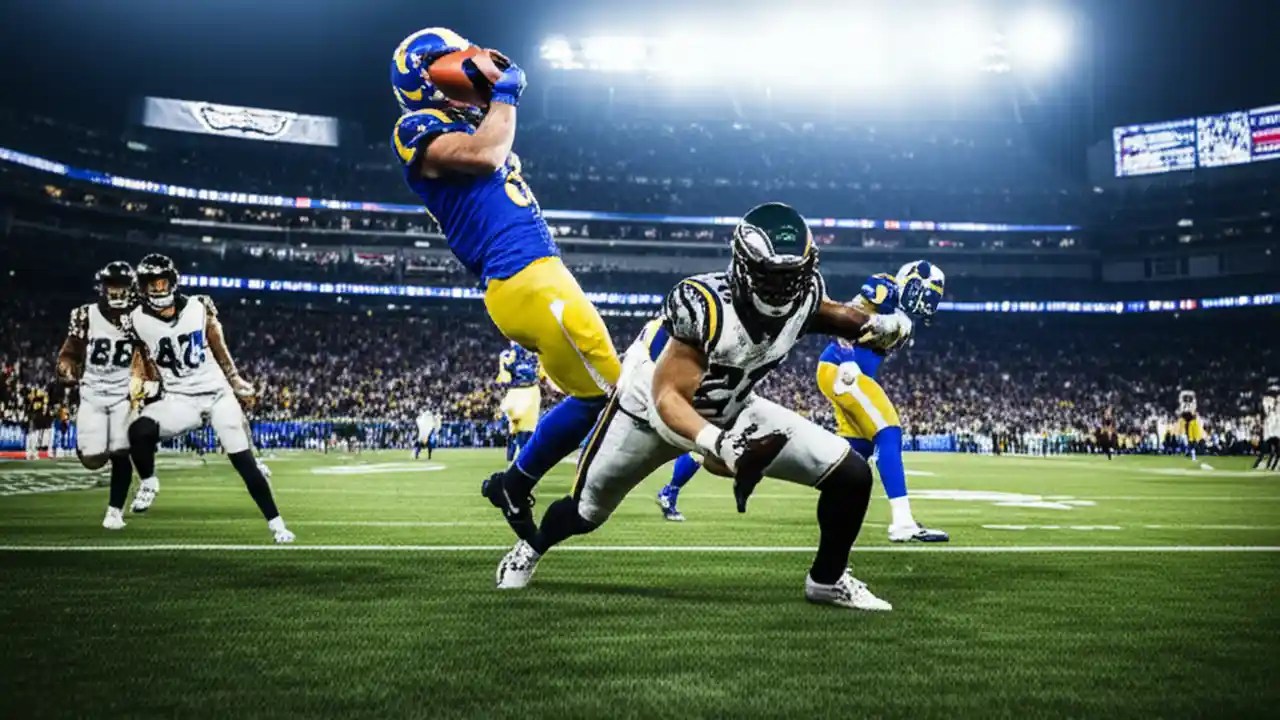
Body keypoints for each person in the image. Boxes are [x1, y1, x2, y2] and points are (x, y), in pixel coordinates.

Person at [495, 202, 913, 610]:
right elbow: (668, 398)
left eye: (793, 276)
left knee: (851, 476)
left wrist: (878, 326)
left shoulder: (802, 298)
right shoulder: (706, 305)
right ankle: (531, 547)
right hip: (647, 411)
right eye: (773, 276)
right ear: (744, 268)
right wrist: (720, 445)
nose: (784, 288)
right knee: (585, 512)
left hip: (729, 406)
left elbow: (829, 314)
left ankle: (827, 580)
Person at [389, 28, 621, 539]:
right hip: (523, 277)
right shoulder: (415, 127)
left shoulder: (468, 121)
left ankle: (515, 484)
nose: (468, 68)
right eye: (454, 62)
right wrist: (506, 93)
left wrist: (497, 99)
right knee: (616, 393)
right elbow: (486, 156)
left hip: (537, 272)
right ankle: (541, 490)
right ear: (425, 77)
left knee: (596, 397)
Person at [122, 254, 294, 543]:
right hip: (180, 399)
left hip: (216, 395)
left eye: (163, 282)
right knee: (138, 431)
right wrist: (138, 382)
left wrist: (235, 378)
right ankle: (149, 483)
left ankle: (277, 525)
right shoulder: (135, 320)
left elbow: (218, 345)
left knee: (243, 462)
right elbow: (142, 356)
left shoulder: (198, 307)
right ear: (142, 286)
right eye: (152, 283)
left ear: (173, 282)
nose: (158, 288)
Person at [814, 261, 949, 543]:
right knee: (888, 432)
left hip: (846, 372)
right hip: (841, 368)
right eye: (926, 291)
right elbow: (841, 319)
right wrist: (848, 359)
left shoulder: (904, 322)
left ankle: (833, 521)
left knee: (855, 451)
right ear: (910, 281)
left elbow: (878, 328)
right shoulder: (883, 287)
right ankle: (902, 522)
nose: (927, 300)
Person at [55, 261, 149, 529]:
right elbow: (70, 351)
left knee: (121, 450)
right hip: (93, 393)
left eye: (121, 287)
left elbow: (151, 354)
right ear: (103, 287)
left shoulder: (141, 317)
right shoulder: (86, 315)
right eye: (112, 287)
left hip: (124, 393)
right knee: (92, 458)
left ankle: (114, 511)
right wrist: (66, 366)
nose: (116, 292)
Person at [496, 341, 541, 461]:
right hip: (521, 391)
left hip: (526, 391)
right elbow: (505, 378)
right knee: (518, 428)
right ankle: (517, 456)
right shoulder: (516, 356)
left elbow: (505, 378)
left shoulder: (533, 357)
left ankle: (519, 456)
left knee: (523, 428)